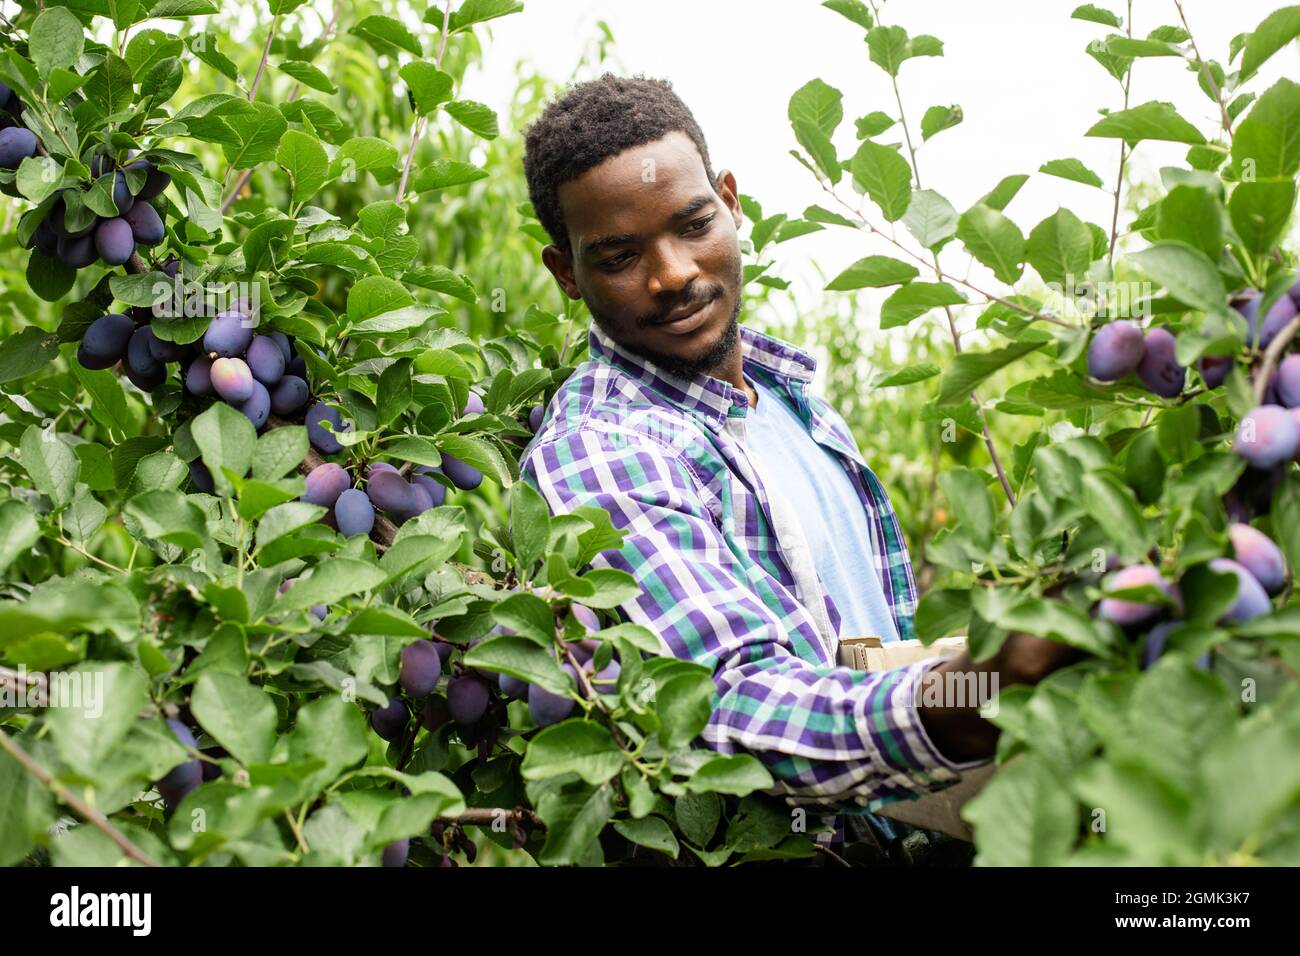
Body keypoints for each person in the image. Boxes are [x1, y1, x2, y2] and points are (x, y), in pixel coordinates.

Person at [517, 74, 1077, 859]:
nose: (673, 273)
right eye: (618, 255)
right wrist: (969, 695)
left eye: (693, 223)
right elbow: (731, 703)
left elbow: (876, 632)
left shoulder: (793, 403)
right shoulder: (602, 450)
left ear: (732, 201)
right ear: (566, 273)